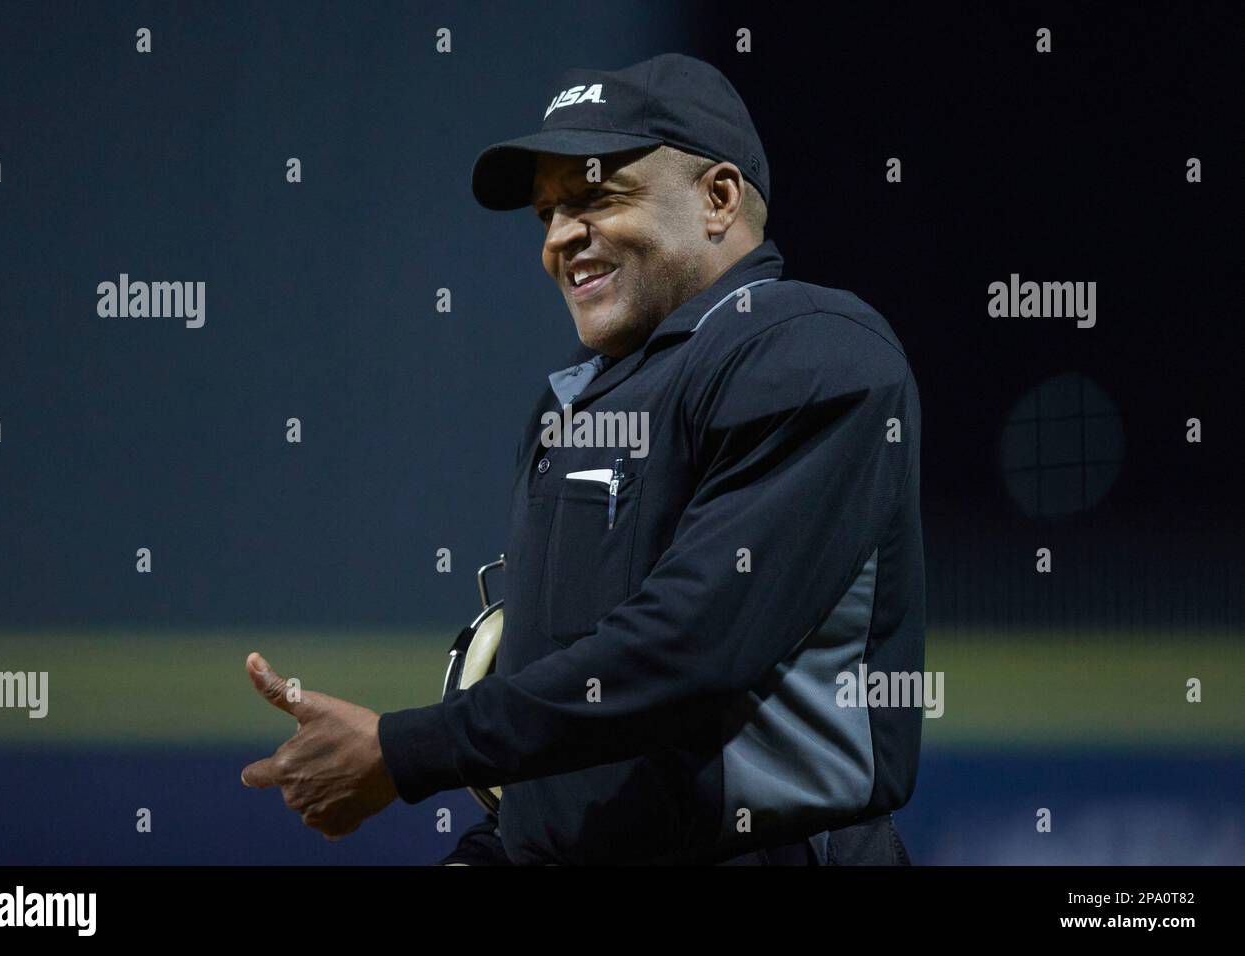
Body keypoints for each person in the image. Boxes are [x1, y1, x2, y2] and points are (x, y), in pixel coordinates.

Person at [242, 52, 925, 866]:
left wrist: (404, 750)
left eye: (597, 197)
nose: (562, 236)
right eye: (547, 214)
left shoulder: (810, 349)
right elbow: (580, 711)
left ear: (718, 199)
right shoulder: (578, 402)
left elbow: (687, 651)